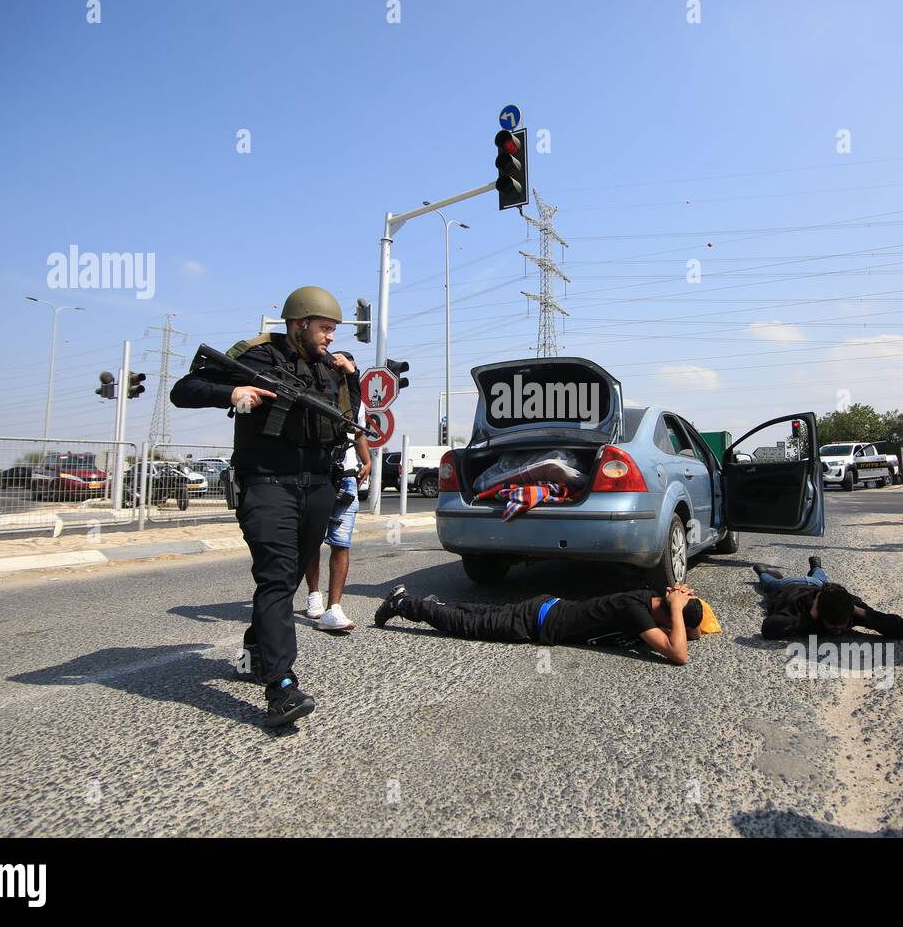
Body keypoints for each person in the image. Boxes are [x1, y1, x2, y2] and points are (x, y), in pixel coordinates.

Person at [170, 285, 352, 727]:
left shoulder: (330, 368)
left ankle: (255, 654)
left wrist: (351, 376)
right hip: (268, 485)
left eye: (333, 331)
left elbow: (346, 420)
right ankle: (281, 687)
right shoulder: (255, 357)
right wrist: (231, 395)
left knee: (288, 577)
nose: (330, 337)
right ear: (298, 324)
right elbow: (184, 389)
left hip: (318, 486)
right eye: (325, 329)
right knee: (274, 577)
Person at [373, 582, 705, 665]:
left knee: (475, 613)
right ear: (668, 615)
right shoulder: (638, 614)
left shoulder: (648, 599)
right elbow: (678, 655)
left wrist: (677, 602)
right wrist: (679, 612)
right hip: (536, 622)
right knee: (468, 625)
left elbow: (677, 633)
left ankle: (432, 607)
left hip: (547, 607)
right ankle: (402, 604)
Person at [298, 351, 369, 631]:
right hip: (317, 476)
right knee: (311, 539)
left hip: (347, 478)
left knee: (341, 542)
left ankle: (334, 608)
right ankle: (314, 594)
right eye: (334, 364)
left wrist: (368, 460)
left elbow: (359, 431)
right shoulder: (316, 391)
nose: (338, 369)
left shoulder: (354, 398)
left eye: (344, 366)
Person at [755, 556, 903, 640]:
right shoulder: (802, 605)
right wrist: (809, 616)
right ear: (820, 614)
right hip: (789, 586)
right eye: (833, 627)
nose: (838, 630)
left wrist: (861, 612)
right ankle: (761, 570)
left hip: (818, 584)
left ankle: (817, 566)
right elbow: (769, 628)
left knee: (820, 578)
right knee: (769, 583)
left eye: (842, 626)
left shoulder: (848, 605)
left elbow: (902, 630)